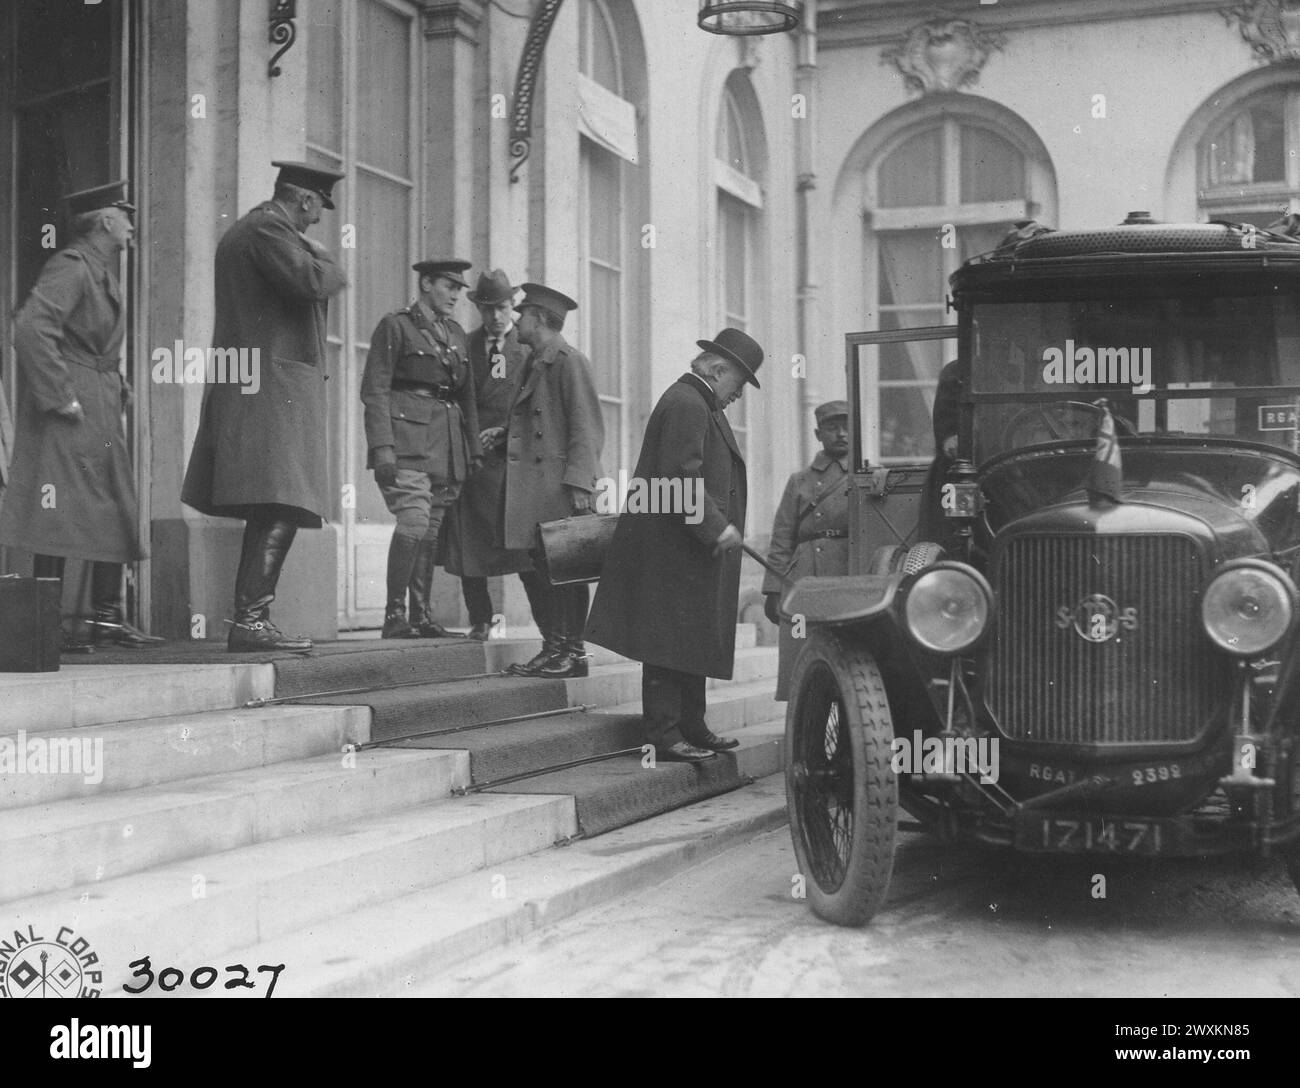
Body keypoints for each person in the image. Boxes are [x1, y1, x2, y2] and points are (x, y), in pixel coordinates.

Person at [181, 160, 347, 652]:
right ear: (305, 199)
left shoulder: (254, 230)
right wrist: (328, 261)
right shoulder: (269, 230)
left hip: (265, 384)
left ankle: (252, 619)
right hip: (273, 388)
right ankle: (251, 621)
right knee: (282, 499)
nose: (317, 219)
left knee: (275, 501)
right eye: (317, 208)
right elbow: (313, 282)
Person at [585, 328, 763, 762]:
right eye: (739, 383)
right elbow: (680, 477)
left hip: (686, 547)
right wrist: (716, 528)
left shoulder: (698, 401)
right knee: (668, 641)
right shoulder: (688, 403)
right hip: (674, 548)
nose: (738, 395)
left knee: (690, 635)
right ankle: (664, 735)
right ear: (718, 370)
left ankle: (692, 725)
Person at [0, 181, 161, 652]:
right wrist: (59, 395)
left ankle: (106, 619)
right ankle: (49, 625)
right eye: (125, 217)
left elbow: (90, 340)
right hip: (70, 408)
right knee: (59, 511)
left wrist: (116, 383)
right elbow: (30, 327)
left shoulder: (98, 270)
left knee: (110, 503)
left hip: (98, 402)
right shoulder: (71, 265)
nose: (131, 226)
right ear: (106, 221)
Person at [361, 258, 481, 638]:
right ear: (426, 284)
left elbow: (467, 396)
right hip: (406, 440)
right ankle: (394, 617)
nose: (456, 295)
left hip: (447, 443)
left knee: (430, 529)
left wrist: (473, 448)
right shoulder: (396, 325)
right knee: (414, 520)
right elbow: (375, 390)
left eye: (459, 289)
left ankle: (421, 616)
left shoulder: (456, 333)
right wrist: (382, 446)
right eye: (449, 286)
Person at [501, 284, 604, 679]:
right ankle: (553, 649)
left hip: (558, 489)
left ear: (541, 319)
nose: (516, 321)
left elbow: (586, 428)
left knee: (565, 570)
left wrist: (581, 485)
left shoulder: (568, 361)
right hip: (535, 488)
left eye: (523, 314)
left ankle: (571, 653)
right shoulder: (534, 361)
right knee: (537, 570)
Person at [439, 269, 540, 640]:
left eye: (501, 308)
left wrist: (507, 434)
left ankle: (549, 632)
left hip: (512, 465)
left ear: (512, 306)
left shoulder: (528, 349)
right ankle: (481, 620)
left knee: (526, 552)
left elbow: (535, 407)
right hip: (473, 462)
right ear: (478, 310)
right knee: (471, 550)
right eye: (487, 309)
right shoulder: (464, 345)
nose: (495, 316)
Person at [762, 400, 851, 700]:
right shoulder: (800, 481)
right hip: (803, 576)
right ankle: (805, 715)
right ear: (818, 434)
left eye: (846, 426)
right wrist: (773, 589)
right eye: (832, 427)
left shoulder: (868, 476)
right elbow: (782, 536)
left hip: (850, 573)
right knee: (801, 645)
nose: (841, 434)